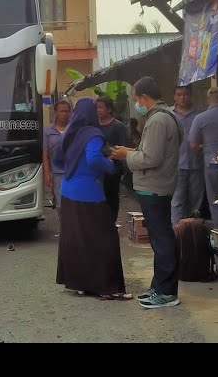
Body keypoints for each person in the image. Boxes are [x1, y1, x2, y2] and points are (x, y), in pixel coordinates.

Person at [110, 77, 182, 309]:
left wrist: (125, 156)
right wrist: (130, 151)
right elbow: (149, 151)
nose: (136, 105)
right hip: (156, 185)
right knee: (160, 238)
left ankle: (166, 292)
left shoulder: (158, 120)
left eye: (136, 100)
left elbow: (151, 158)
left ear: (144, 97)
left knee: (162, 240)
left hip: (155, 187)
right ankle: (159, 286)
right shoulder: (163, 117)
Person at [55, 97, 130, 300]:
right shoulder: (93, 134)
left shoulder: (70, 132)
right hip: (89, 192)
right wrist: (111, 166)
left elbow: (57, 158)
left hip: (68, 189)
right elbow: (94, 159)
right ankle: (107, 287)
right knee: (105, 238)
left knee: (76, 237)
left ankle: (79, 284)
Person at [188, 86, 218, 226]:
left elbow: (193, 144)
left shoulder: (200, 118)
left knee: (217, 201)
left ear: (208, 99)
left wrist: (204, 148)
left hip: (212, 164)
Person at [171, 85, 204, 225]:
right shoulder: (169, 115)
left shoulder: (200, 115)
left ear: (191, 95)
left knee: (195, 202)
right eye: (179, 94)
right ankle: (177, 234)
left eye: (185, 94)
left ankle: (191, 235)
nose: (182, 97)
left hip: (197, 164)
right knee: (177, 201)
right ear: (174, 96)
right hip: (176, 165)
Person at [95, 96, 130, 220]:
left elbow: (123, 148)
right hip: (96, 170)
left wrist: (110, 155)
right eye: (96, 107)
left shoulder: (118, 127)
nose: (97, 110)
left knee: (111, 200)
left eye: (100, 107)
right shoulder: (93, 126)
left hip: (113, 171)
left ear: (109, 109)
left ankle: (111, 224)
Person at [42, 98, 71, 209]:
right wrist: (47, 174)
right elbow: (45, 152)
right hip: (57, 173)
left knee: (72, 202)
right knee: (60, 203)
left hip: (73, 171)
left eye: (67, 111)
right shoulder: (47, 130)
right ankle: (64, 225)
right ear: (56, 112)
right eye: (62, 111)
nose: (65, 114)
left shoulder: (73, 129)